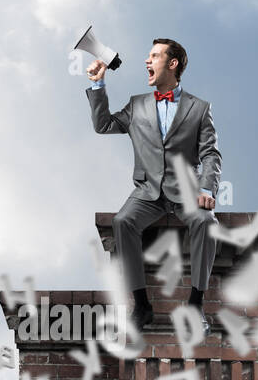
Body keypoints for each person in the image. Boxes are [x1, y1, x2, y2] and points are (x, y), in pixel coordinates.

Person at [85, 38, 222, 335]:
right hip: (147, 191)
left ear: (172, 64)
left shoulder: (199, 108)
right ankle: (142, 306)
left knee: (206, 224)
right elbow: (104, 125)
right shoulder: (137, 105)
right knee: (123, 222)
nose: (147, 61)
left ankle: (196, 305)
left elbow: (210, 153)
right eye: (148, 56)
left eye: (154, 56)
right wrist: (98, 85)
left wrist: (207, 190)